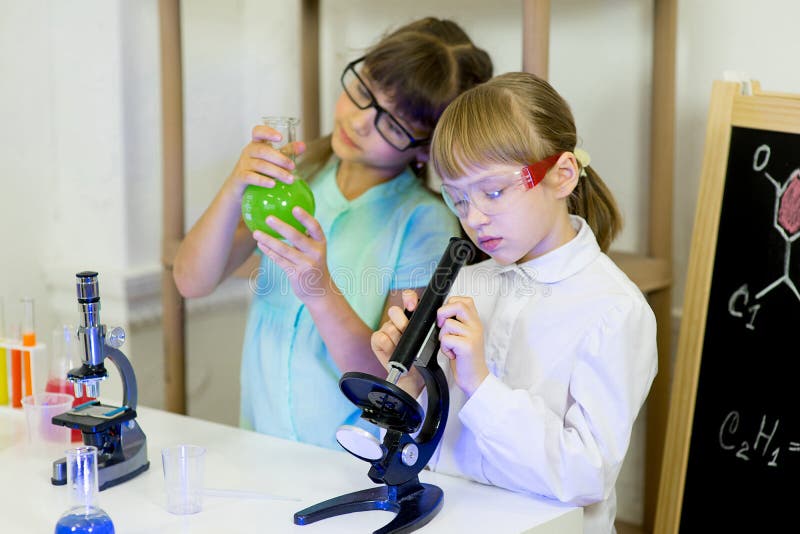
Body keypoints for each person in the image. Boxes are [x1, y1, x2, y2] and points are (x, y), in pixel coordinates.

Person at [172, 17, 493, 450]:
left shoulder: (425, 222)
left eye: (393, 125)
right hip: (259, 444)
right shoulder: (299, 180)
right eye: (362, 92)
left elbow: (389, 378)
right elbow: (192, 280)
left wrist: (317, 285)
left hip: (343, 464)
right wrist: (235, 187)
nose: (361, 121)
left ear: (425, 146)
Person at [371, 72, 657, 534]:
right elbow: (440, 453)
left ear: (562, 175)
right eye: (458, 199)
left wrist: (481, 385)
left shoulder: (614, 310)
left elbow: (585, 475)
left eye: (494, 192)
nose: (475, 218)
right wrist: (410, 386)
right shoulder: (467, 281)